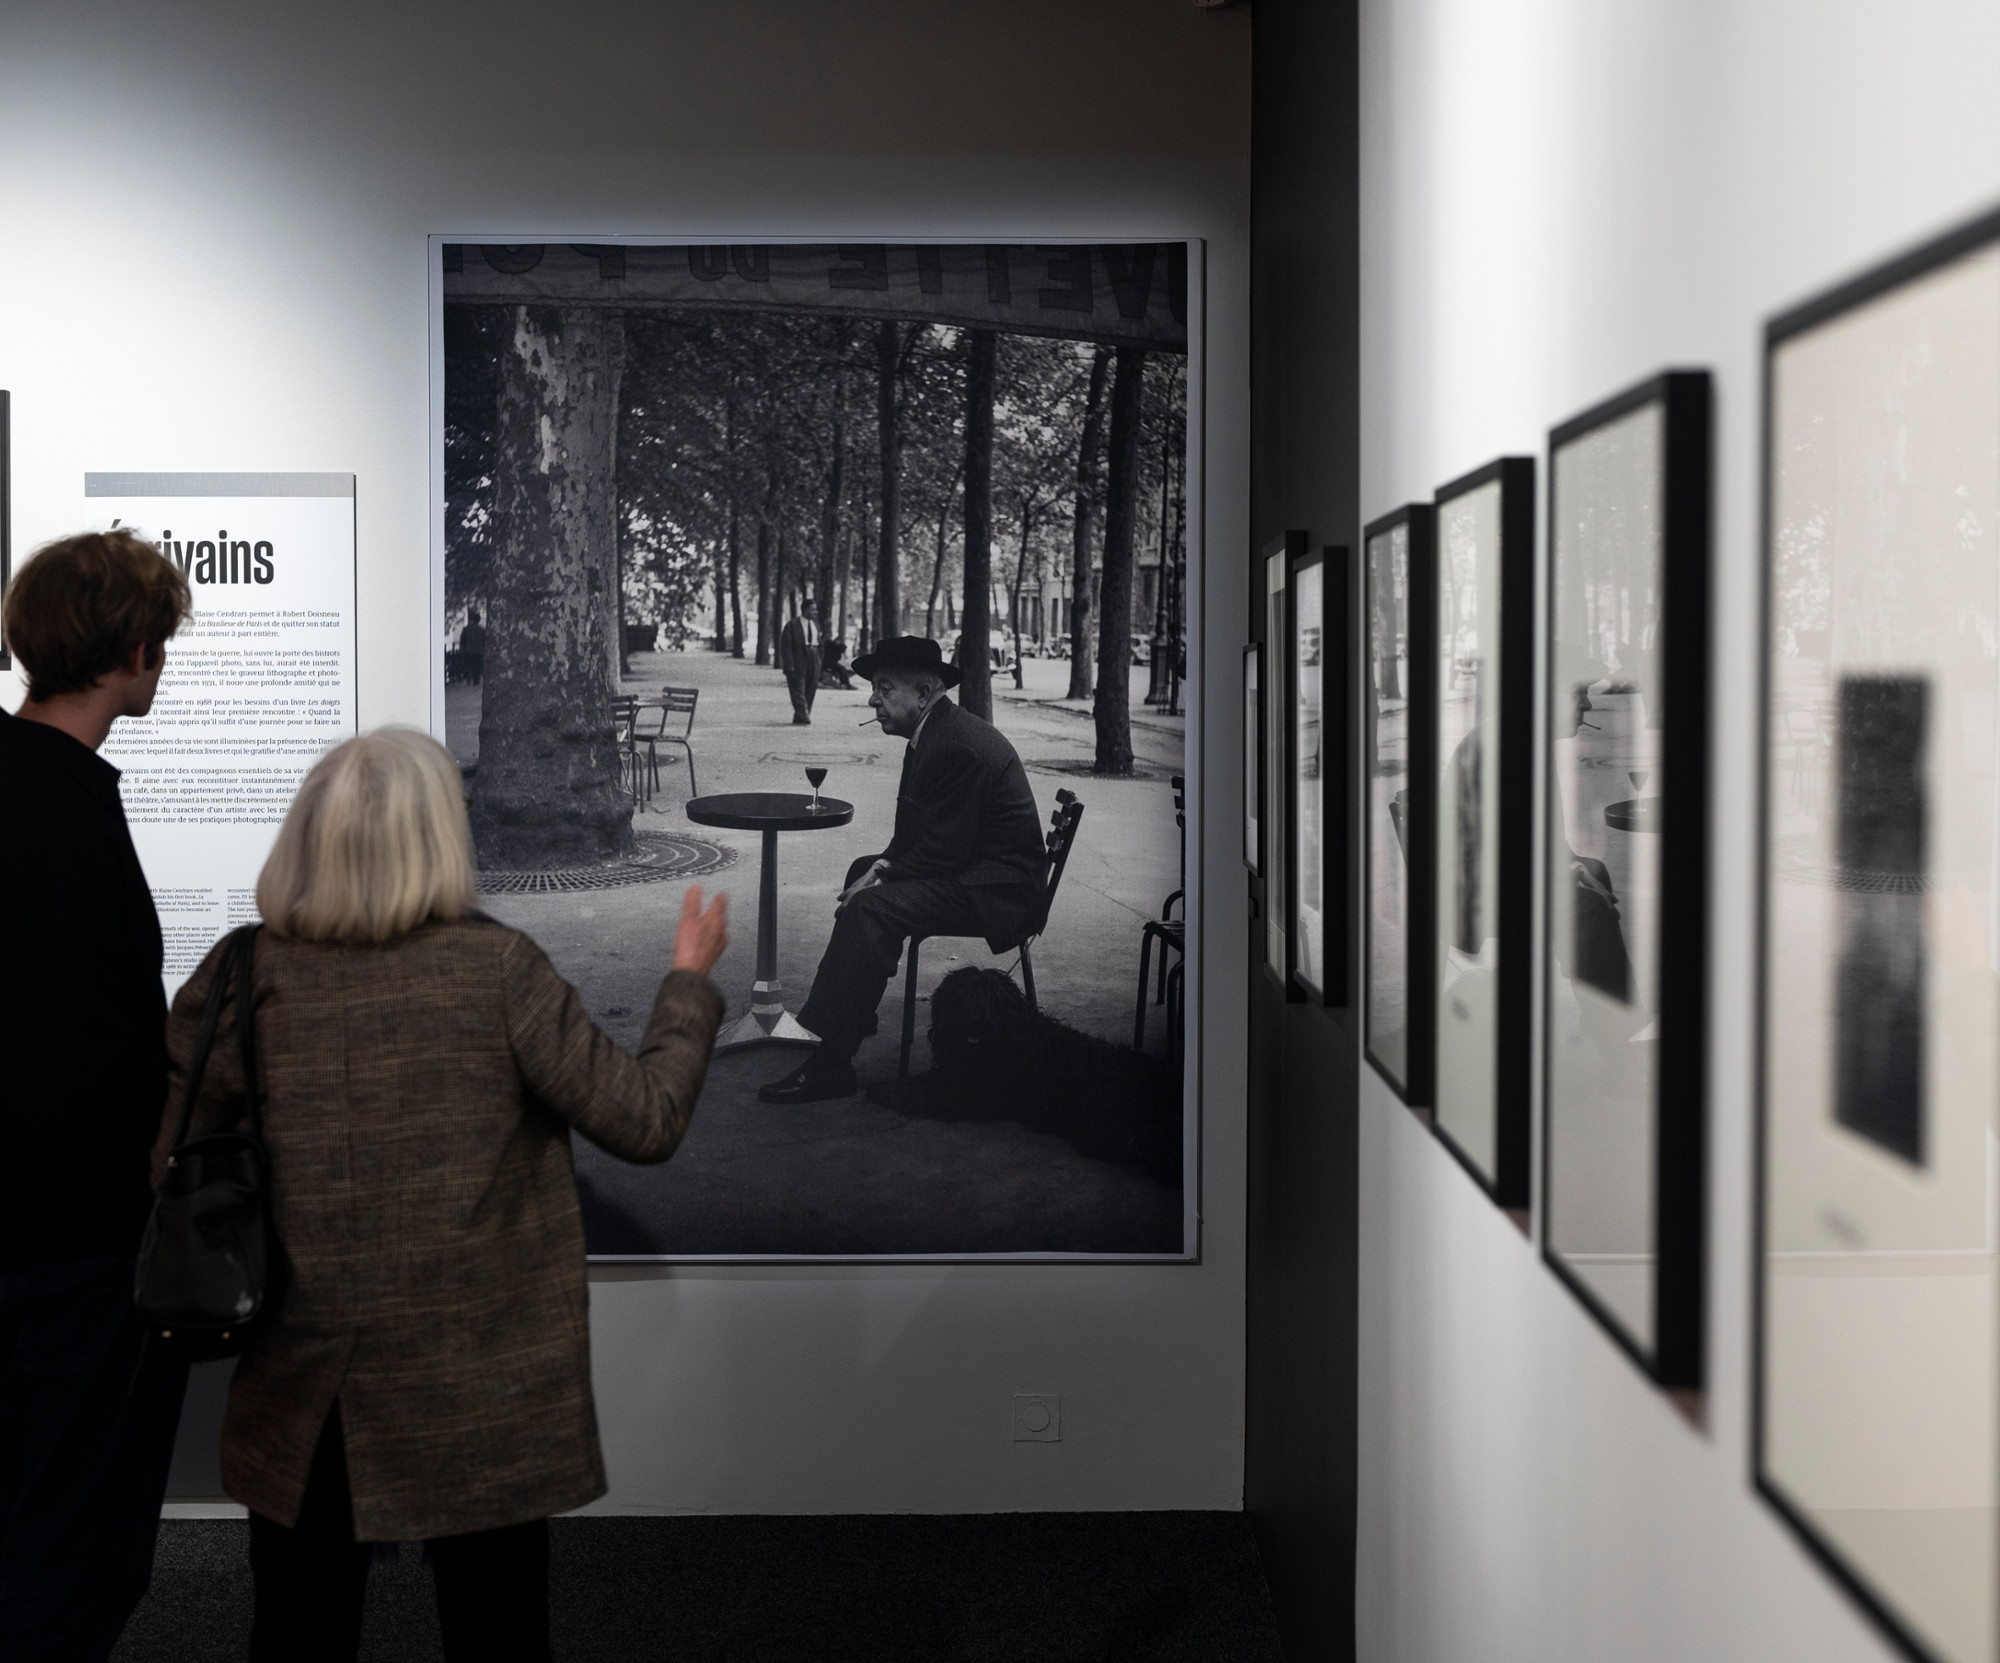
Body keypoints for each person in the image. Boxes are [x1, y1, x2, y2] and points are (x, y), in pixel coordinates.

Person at [159, 727, 729, 1661]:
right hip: (482, 1385)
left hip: (305, 1383)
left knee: (298, 1631)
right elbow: (646, 1118)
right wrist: (688, 982)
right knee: (494, 1630)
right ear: (439, 839)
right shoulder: (497, 970)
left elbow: (173, 1168)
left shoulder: (239, 973)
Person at [0, 531, 193, 1661]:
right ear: (134, 652)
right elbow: (94, 1048)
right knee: (67, 1552)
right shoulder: (68, 810)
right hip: (71, 1246)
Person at [761, 636, 1046, 1104]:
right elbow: (917, 832)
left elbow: (943, 851)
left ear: (923, 693)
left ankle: (832, 1061)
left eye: (885, 688)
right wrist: (879, 866)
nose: (873, 699)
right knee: (862, 871)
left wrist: (886, 872)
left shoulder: (953, 745)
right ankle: (855, 1003)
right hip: (977, 869)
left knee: (871, 909)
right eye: (875, 688)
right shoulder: (934, 732)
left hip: (998, 890)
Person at [779, 596, 822, 724]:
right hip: (798, 659)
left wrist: (820, 658)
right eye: (813, 610)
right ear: (805, 610)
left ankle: (801, 714)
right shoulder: (792, 625)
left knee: (810, 688)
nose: (816, 612)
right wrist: (789, 664)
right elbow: (786, 647)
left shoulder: (815, 625)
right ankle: (804, 715)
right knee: (798, 689)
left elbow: (820, 643)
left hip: (813, 657)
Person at [458, 608, 486, 684]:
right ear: (479, 620)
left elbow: (462, 639)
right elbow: (485, 640)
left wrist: (462, 648)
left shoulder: (466, 629)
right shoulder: (482, 630)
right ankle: (476, 680)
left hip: (468, 650)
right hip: (479, 651)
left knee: (469, 665)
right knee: (477, 666)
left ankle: (468, 678)